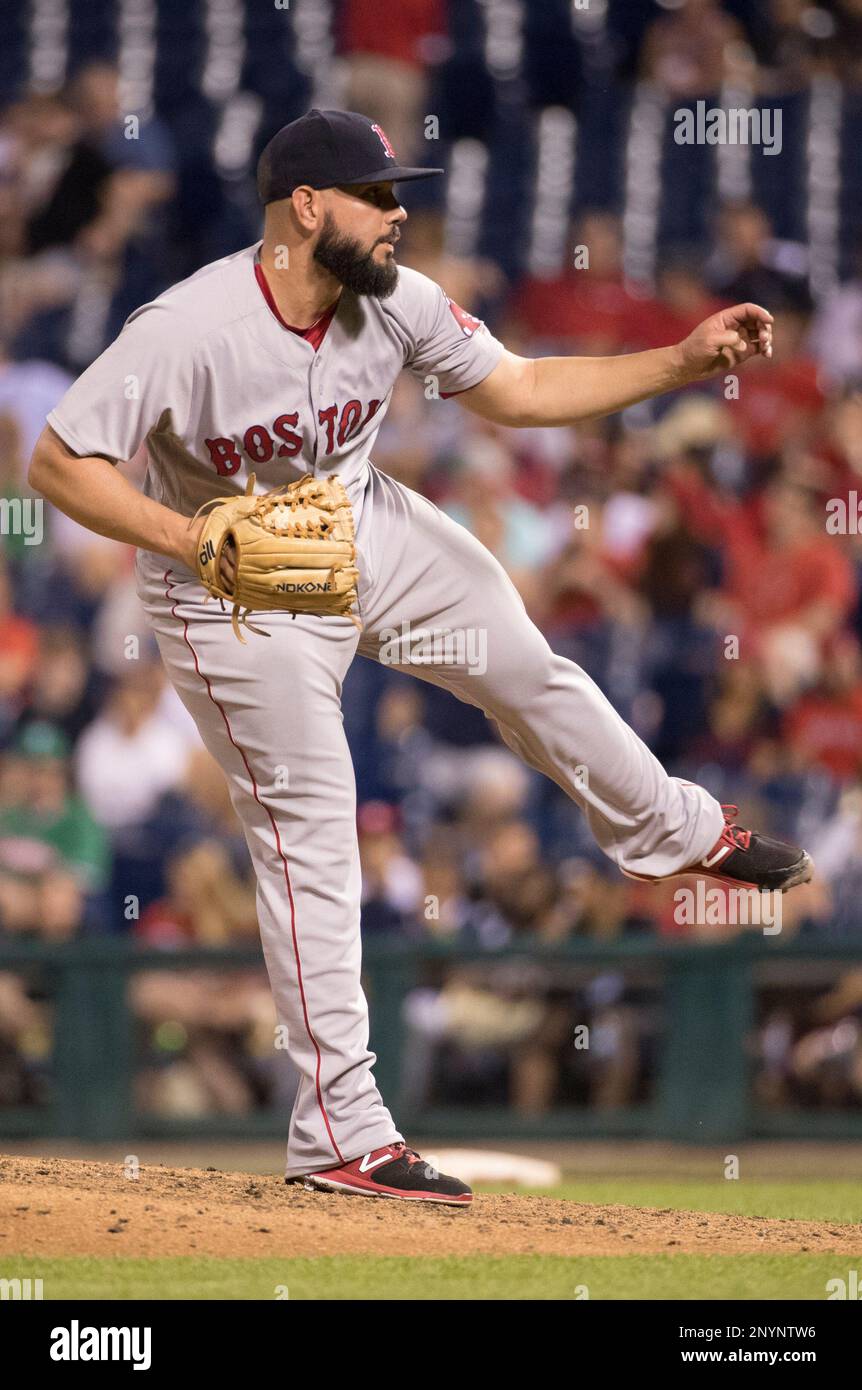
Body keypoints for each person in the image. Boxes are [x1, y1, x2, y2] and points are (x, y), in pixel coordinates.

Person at [28, 108, 812, 1206]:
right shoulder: (186, 326)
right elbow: (58, 464)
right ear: (307, 208)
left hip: (362, 526)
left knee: (523, 661)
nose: (400, 214)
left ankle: (673, 833)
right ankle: (341, 1134)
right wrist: (190, 535)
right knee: (311, 829)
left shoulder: (395, 298)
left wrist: (680, 361)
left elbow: (522, 390)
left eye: (402, 193)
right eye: (378, 195)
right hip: (223, 594)